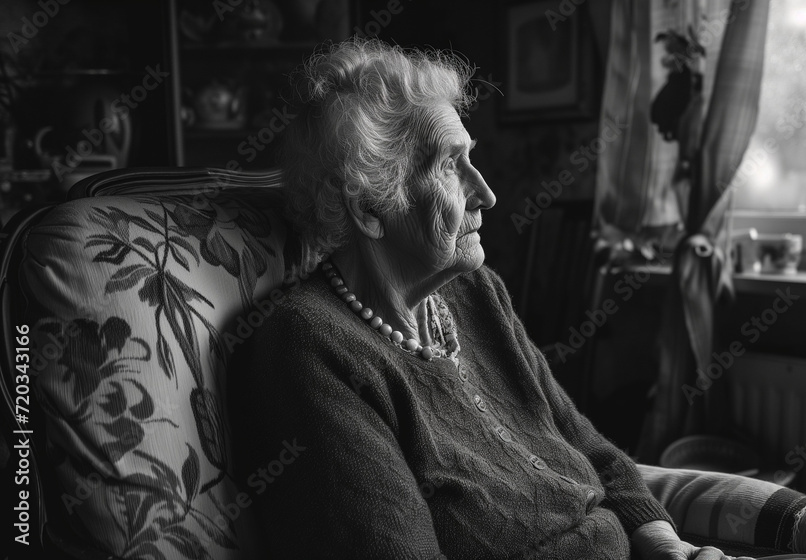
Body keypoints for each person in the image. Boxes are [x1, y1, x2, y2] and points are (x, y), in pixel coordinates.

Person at [229, 38, 752, 560]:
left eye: (470, 158)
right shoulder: (307, 347)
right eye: (449, 165)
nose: (486, 192)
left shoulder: (475, 295)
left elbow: (582, 441)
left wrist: (665, 543)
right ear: (368, 205)